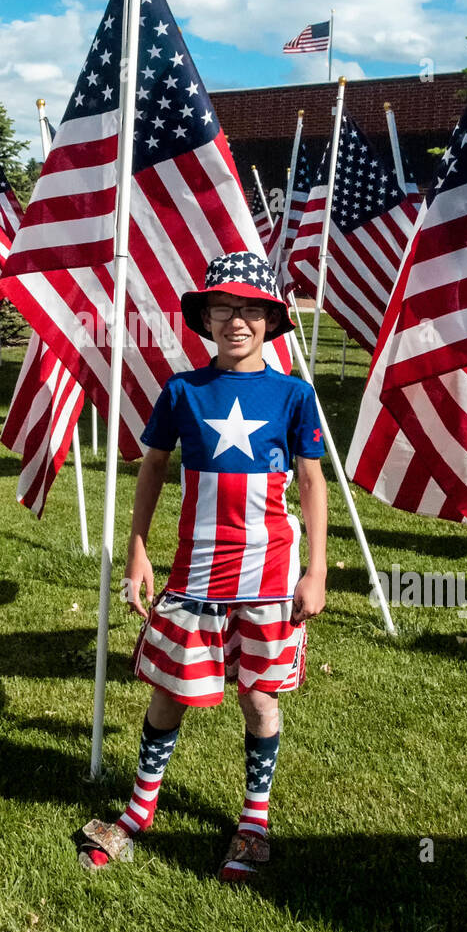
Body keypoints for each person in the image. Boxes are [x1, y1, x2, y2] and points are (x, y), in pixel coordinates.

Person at [79, 251, 328, 882]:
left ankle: (254, 819)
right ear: (205, 318)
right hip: (195, 572)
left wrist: (317, 569)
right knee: (169, 689)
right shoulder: (181, 390)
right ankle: (139, 810)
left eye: (249, 310)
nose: (235, 321)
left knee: (260, 698)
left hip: (270, 574)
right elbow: (155, 467)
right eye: (223, 308)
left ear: (270, 320)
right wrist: (137, 547)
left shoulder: (294, 395)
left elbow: (311, 481)